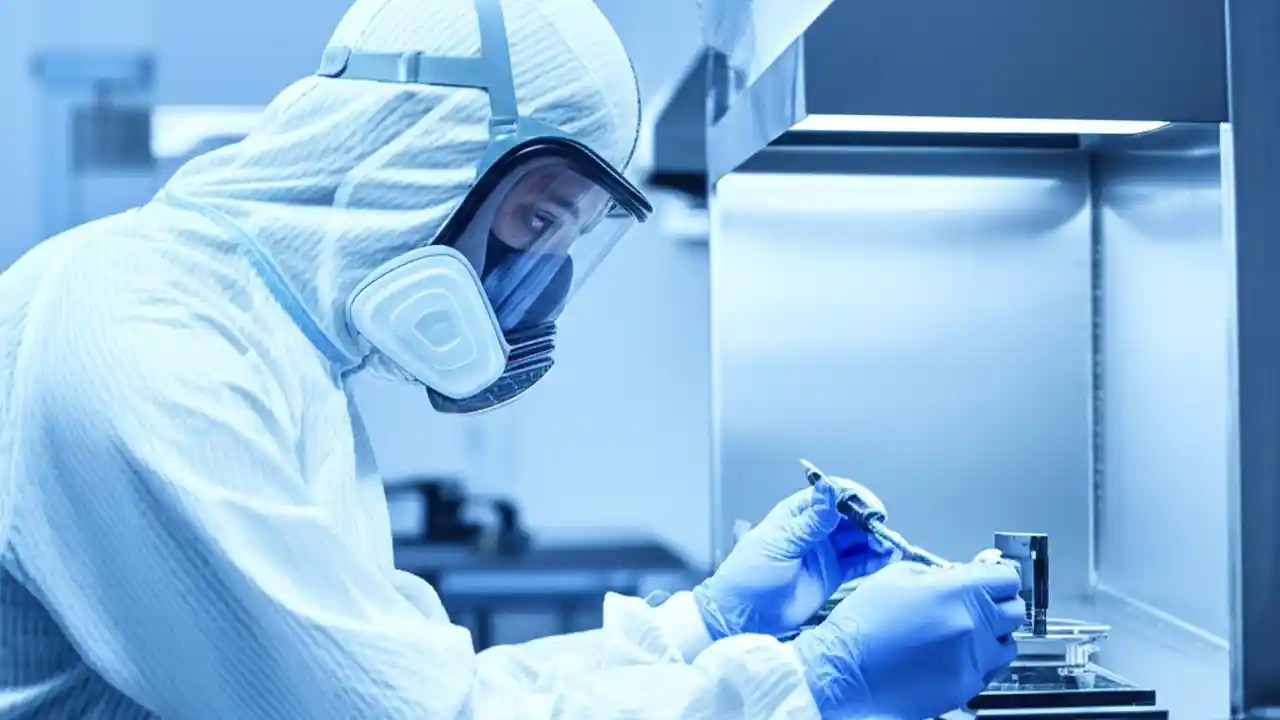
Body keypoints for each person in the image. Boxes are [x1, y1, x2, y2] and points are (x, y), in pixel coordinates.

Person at [0, 0, 1023, 717]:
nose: (528, 288)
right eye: (535, 224)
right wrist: (808, 688)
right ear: (413, 152)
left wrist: (690, 633)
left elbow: (410, 685)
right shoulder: (150, 352)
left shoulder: (269, 344)